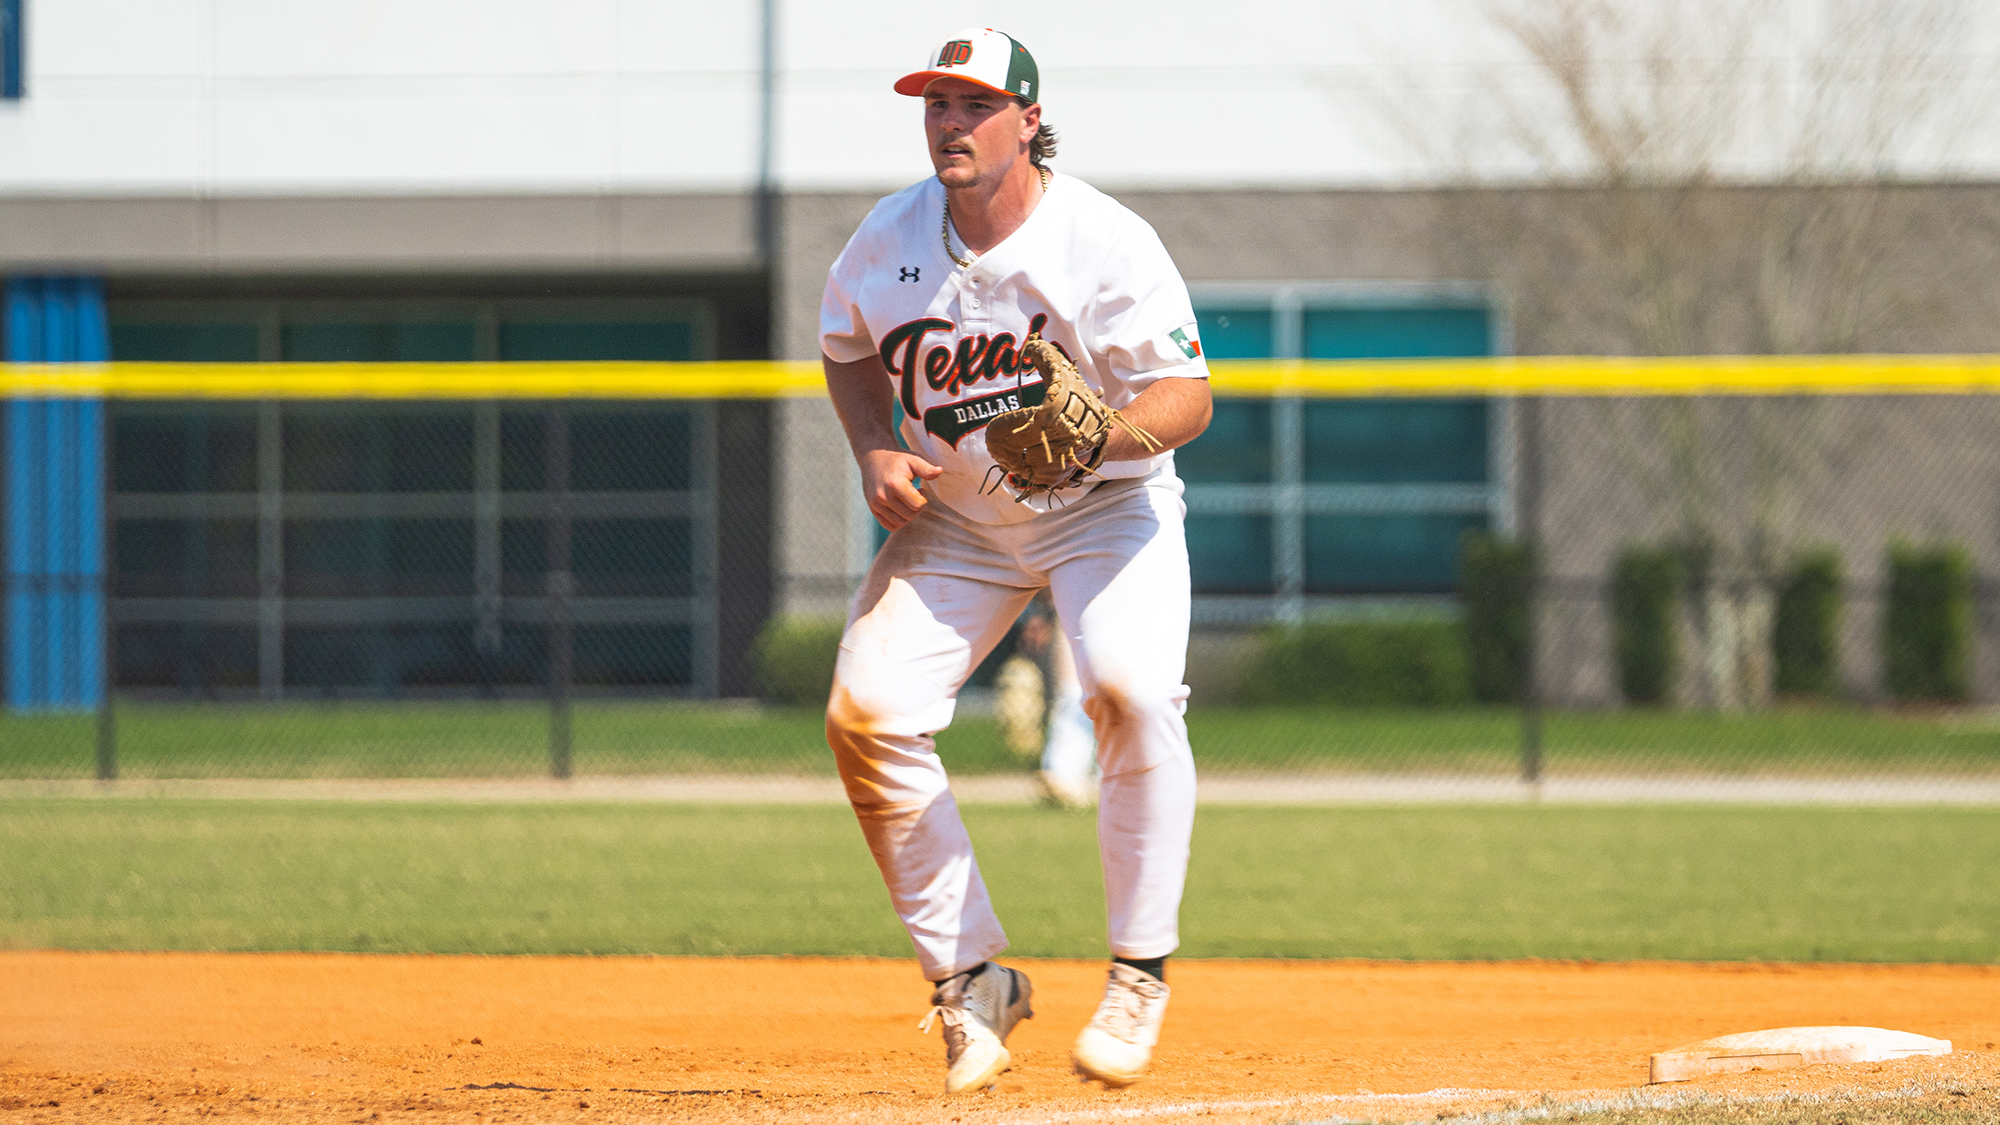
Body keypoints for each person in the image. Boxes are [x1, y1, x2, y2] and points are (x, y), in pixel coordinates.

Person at [818, 26, 1211, 1095]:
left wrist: (1105, 437)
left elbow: (1188, 398)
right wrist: (873, 450)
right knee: (866, 715)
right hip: (958, 518)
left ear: (1027, 122)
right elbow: (847, 350)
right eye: (934, 104)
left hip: (1104, 509)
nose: (948, 122)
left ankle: (1138, 973)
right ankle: (971, 979)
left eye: (971, 104)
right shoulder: (888, 237)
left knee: (1129, 692)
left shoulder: (1103, 239)